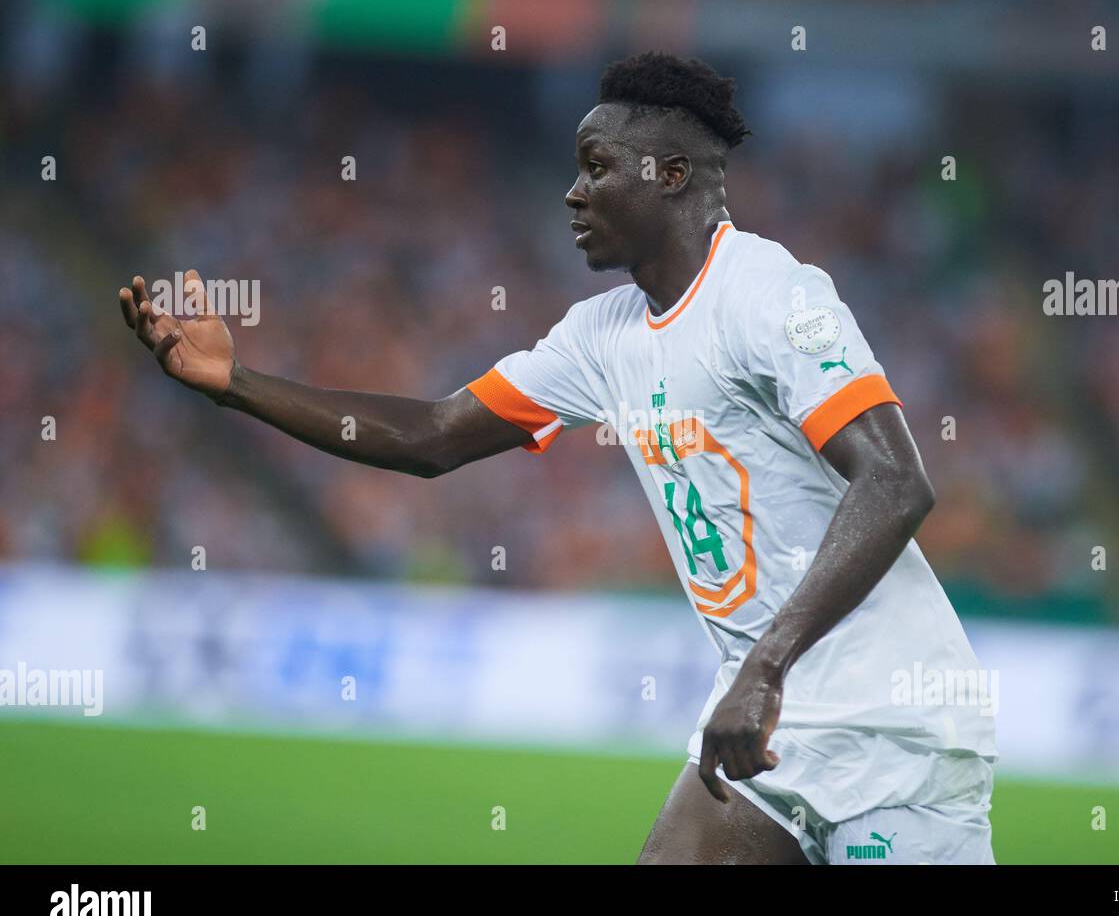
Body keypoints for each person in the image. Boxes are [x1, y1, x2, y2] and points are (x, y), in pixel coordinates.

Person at [117, 51, 997, 865]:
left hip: (892, 725)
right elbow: (431, 434)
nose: (573, 193)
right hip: (769, 719)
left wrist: (767, 663)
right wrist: (236, 384)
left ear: (671, 175)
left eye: (598, 167)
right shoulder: (602, 336)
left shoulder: (774, 299)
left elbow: (896, 481)